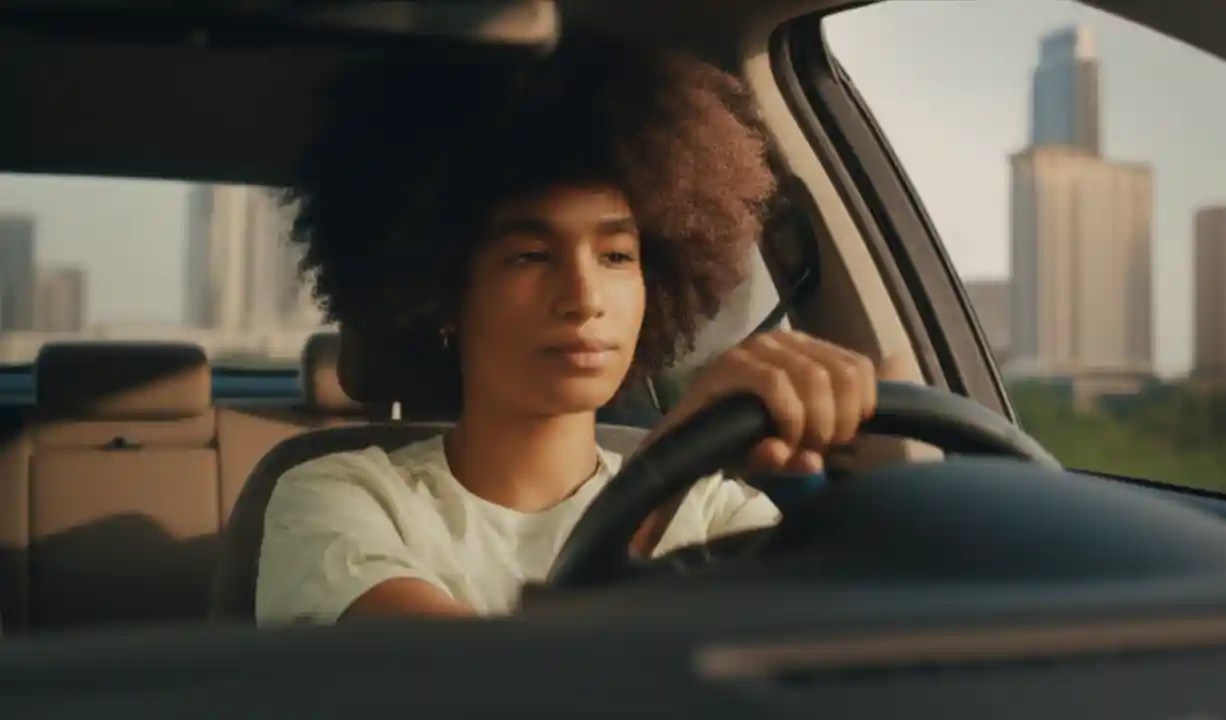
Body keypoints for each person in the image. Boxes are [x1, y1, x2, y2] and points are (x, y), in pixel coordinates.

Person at [256, 39, 910, 623]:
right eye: (530, 256)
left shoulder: (718, 511)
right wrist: (665, 471)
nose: (584, 297)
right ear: (445, 294)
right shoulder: (336, 495)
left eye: (617, 256)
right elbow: (479, 689)